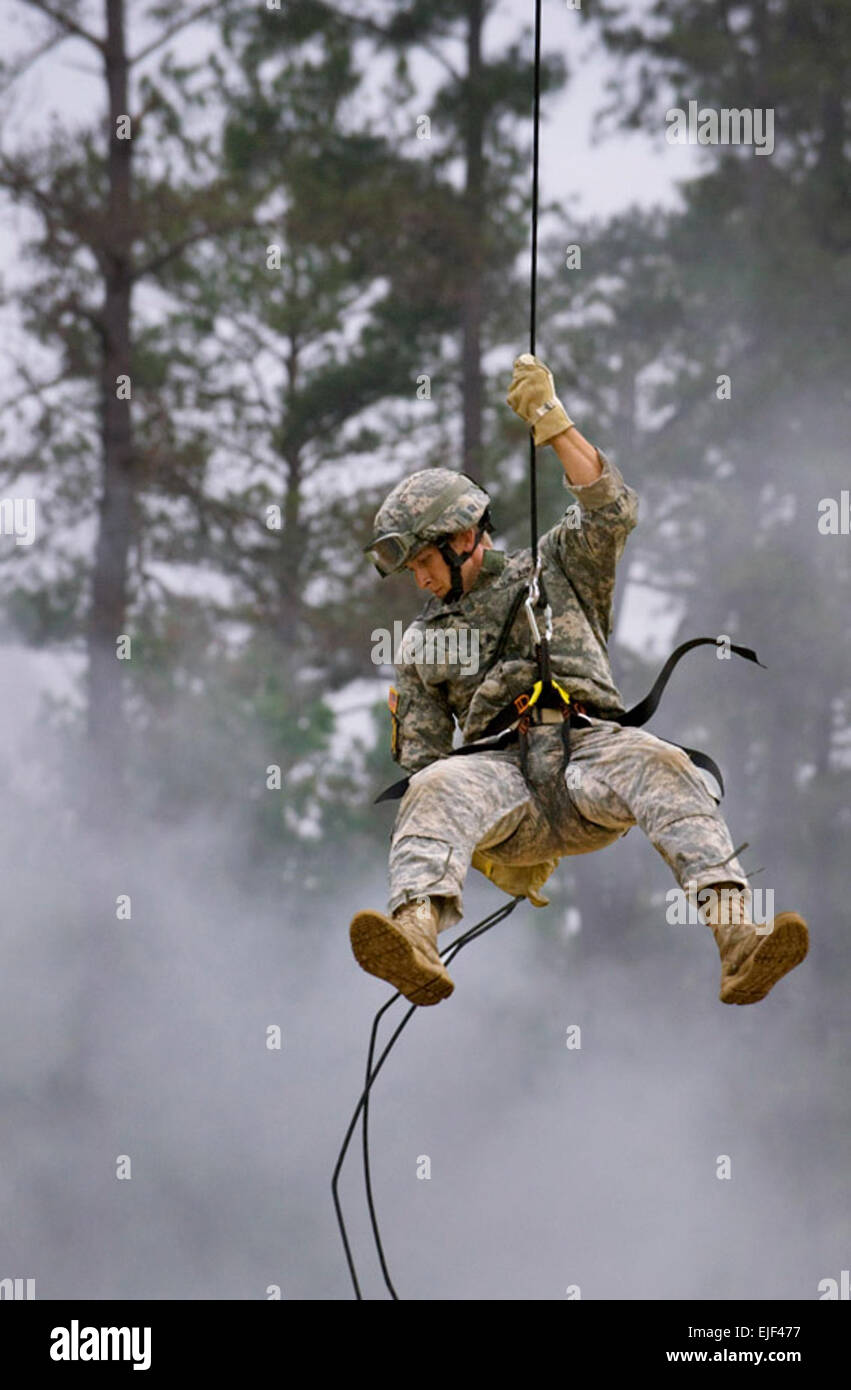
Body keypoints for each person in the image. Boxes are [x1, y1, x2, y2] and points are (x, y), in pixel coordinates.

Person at [350, 355, 808, 1006]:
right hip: (501, 783)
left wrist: (550, 418)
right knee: (432, 784)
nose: (420, 580)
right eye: (412, 570)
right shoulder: (423, 642)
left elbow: (608, 511)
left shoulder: (555, 568)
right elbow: (427, 763)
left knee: (665, 763)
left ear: (464, 537)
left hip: (591, 756)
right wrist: (479, 845)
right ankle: (415, 939)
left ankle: (738, 942)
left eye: (425, 560)